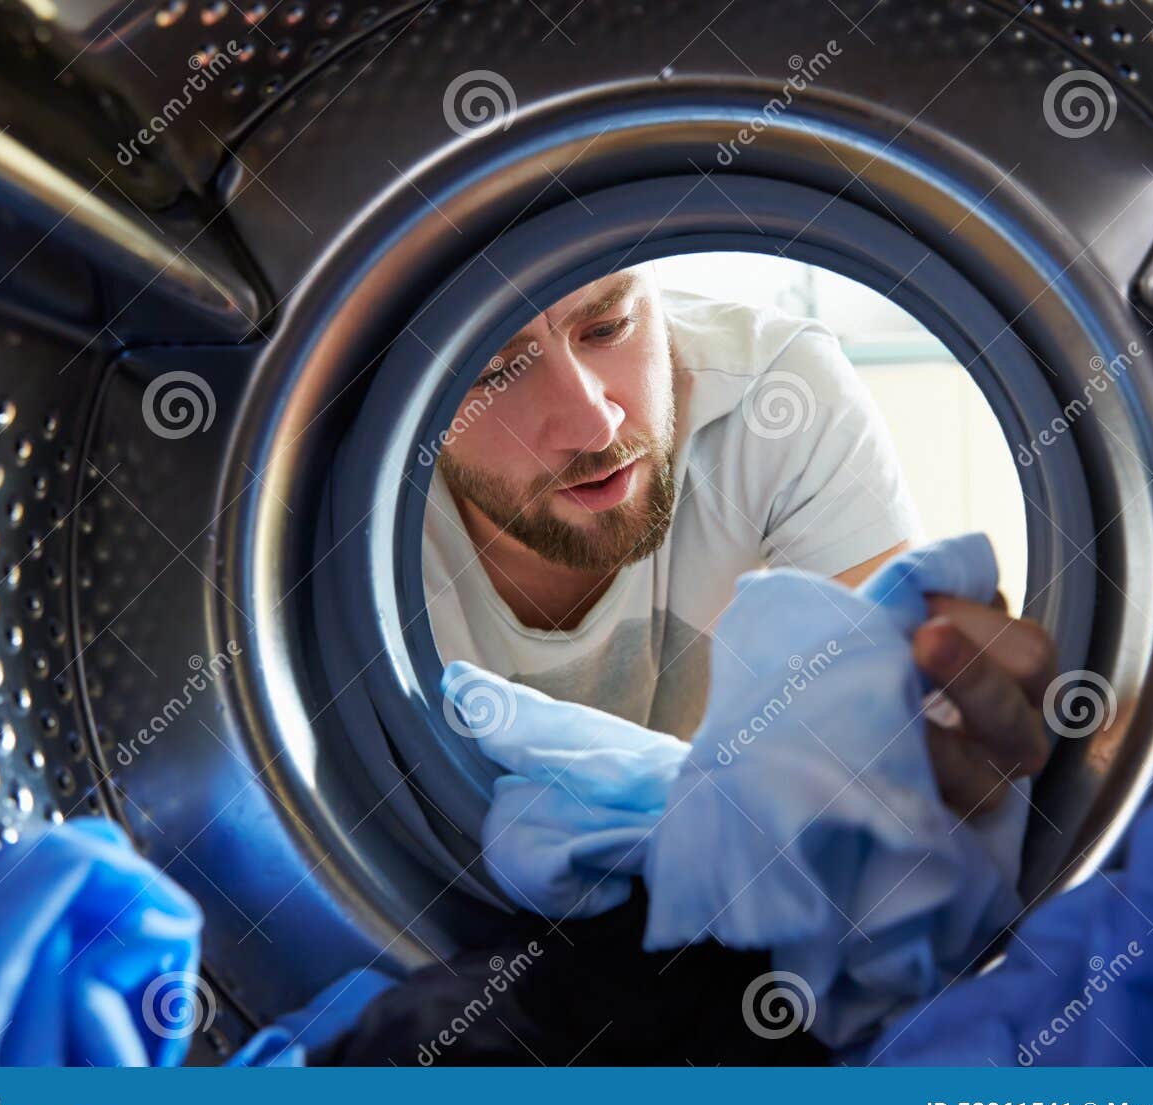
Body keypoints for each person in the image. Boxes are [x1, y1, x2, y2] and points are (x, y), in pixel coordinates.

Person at [423, 263, 1054, 813]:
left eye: (608, 328)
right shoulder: (348, 501)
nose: (595, 426)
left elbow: (890, 730)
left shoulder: (779, 397)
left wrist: (938, 744)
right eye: (494, 373)